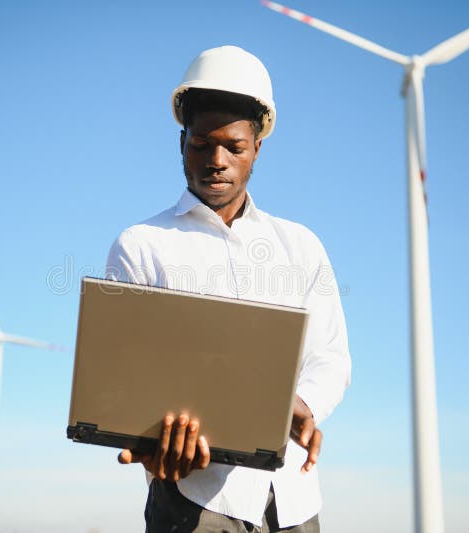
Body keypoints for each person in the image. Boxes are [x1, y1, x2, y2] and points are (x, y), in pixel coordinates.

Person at [105, 45, 351, 533]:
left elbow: (330, 356)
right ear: (181, 144)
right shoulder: (141, 246)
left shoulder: (300, 246)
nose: (217, 161)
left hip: (294, 503)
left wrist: (301, 406)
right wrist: (154, 448)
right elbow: (120, 375)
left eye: (234, 147)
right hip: (194, 502)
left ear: (257, 147)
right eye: (201, 145)